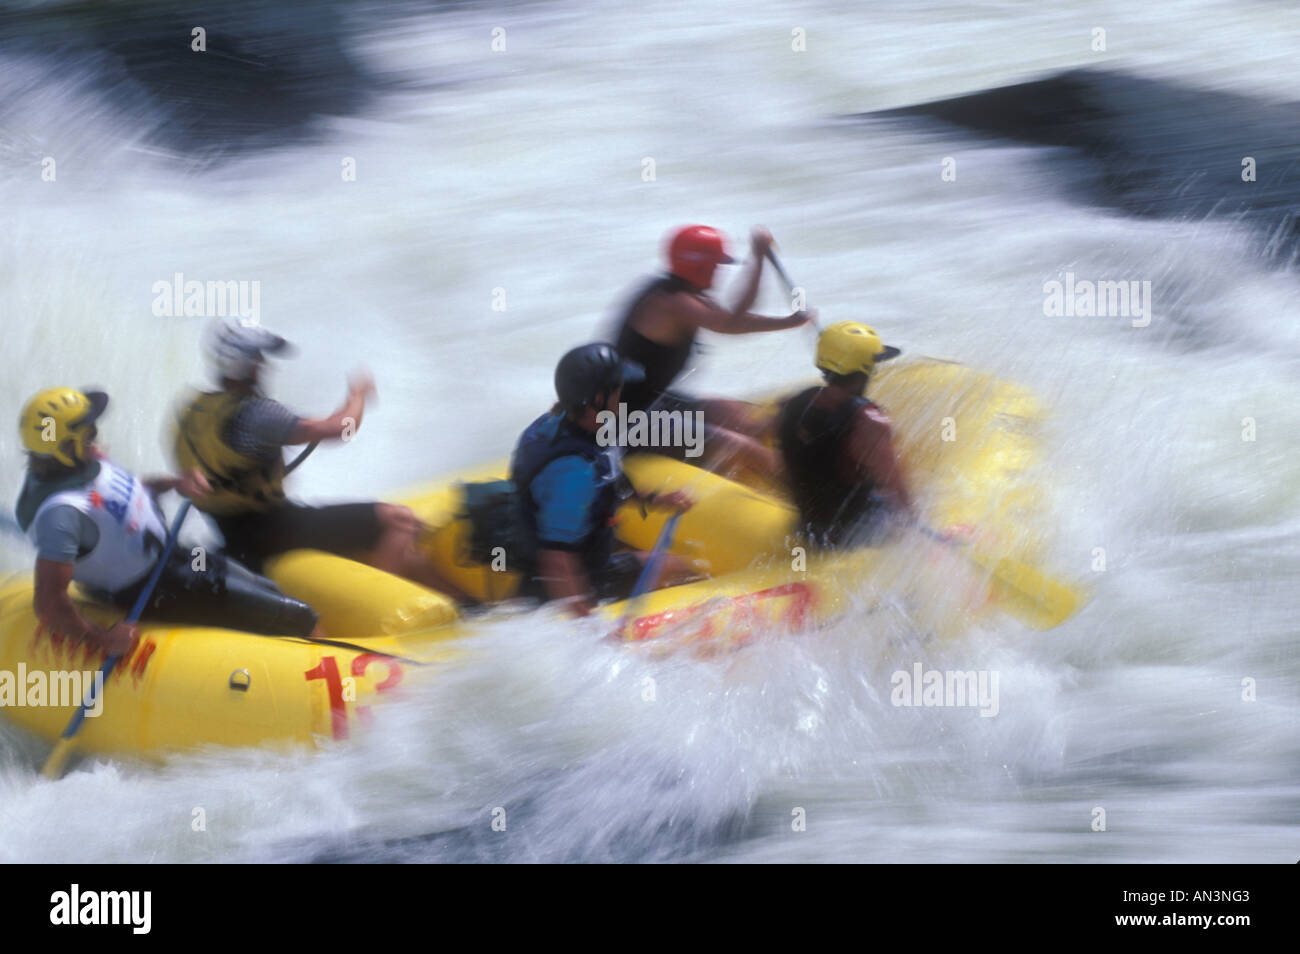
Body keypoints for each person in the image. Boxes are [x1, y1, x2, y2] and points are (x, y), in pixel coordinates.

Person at [172, 320, 466, 600]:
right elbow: (342, 430)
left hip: (231, 534)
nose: (265, 365)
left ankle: (464, 603)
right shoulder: (255, 415)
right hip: (271, 532)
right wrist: (358, 395)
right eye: (258, 358)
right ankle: (381, 605)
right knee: (399, 520)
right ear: (241, 363)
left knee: (408, 528)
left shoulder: (193, 411)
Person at [15, 387, 318, 656]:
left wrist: (175, 484)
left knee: (267, 589)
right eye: (89, 432)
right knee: (297, 617)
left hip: (180, 558)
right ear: (66, 448)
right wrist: (102, 640)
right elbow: (49, 604)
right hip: (160, 590)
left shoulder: (81, 466)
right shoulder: (61, 515)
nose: (96, 435)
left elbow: (127, 494)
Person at [510, 343, 698, 616]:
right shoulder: (574, 471)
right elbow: (558, 560)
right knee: (684, 571)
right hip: (563, 586)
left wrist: (656, 499)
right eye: (618, 390)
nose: (622, 397)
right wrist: (589, 630)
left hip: (551, 566)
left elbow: (608, 481)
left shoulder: (556, 423)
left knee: (671, 566)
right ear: (598, 399)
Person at [611, 224, 813, 474]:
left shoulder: (680, 295)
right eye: (716, 265)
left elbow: (730, 322)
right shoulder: (672, 304)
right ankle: (805, 496)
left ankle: (784, 465)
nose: (719, 272)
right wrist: (758, 257)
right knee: (737, 445)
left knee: (730, 413)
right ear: (700, 267)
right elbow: (730, 321)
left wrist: (789, 322)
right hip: (625, 427)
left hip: (653, 406)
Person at [777, 322, 914, 548]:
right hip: (857, 538)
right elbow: (899, 495)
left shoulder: (791, 405)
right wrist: (917, 529)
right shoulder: (869, 422)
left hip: (809, 530)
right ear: (865, 370)